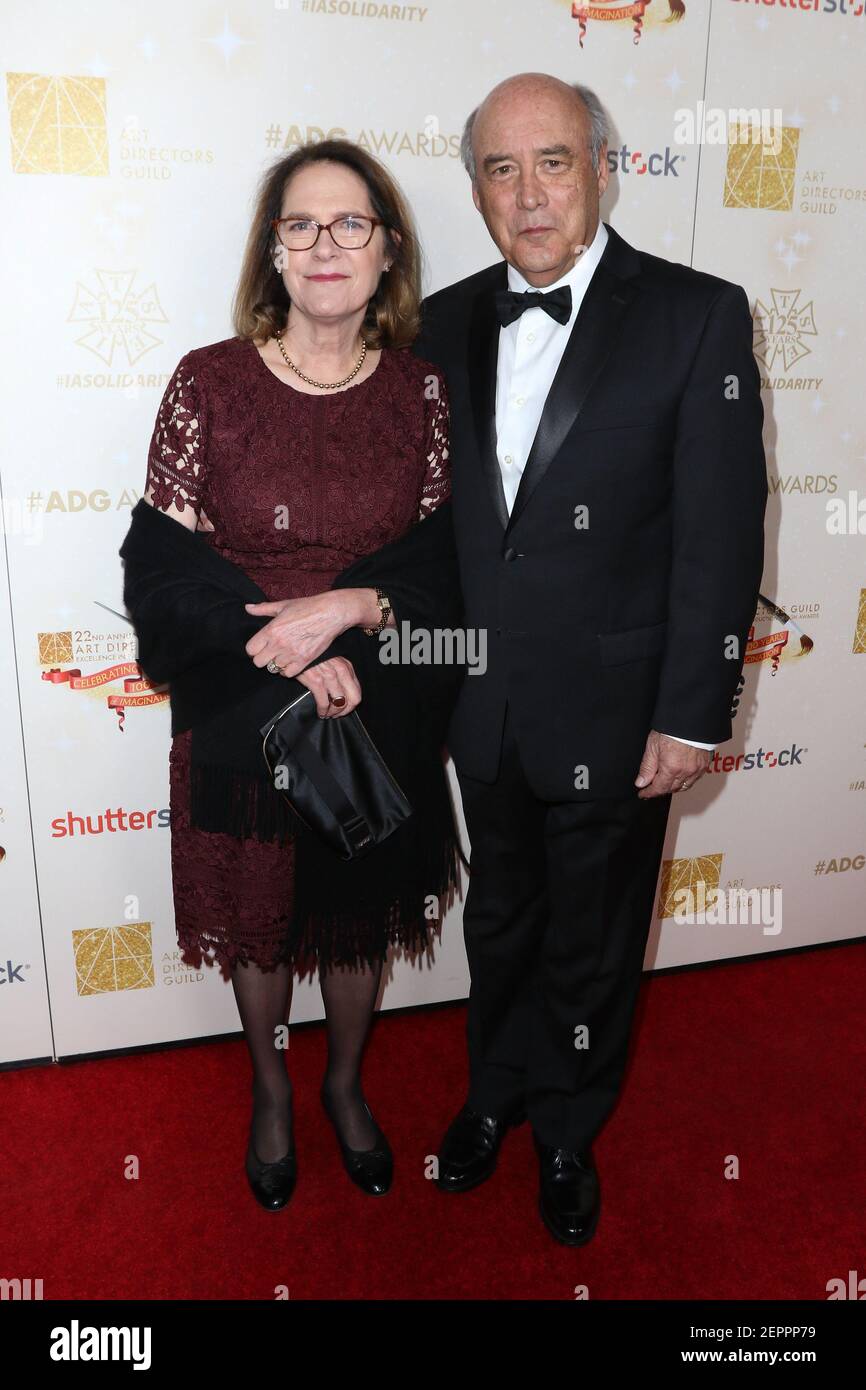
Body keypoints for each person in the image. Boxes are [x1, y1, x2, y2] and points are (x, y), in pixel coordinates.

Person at [412, 74, 768, 1245]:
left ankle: (566, 1128)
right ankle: (494, 1096)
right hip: (482, 708)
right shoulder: (441, 320)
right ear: (473, 188)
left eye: (551, 162)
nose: (527, 194)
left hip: (622, 714)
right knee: (500, 922)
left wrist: (691, 710)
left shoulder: (695, 315)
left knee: (595, 937)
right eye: (499, 170)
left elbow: (719, 532)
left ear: (605, 168)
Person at [140, 138, 454, 1209]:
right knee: (265, 921)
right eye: (300, 225)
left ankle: (346, 1085)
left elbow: (447, 573)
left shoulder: (421, 393)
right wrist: (280, 652)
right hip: (242, 707)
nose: (326, 245)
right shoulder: (207, 384)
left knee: (358, 917)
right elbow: (161, 573)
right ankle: (273, 1089)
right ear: (272, 253)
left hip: (377, 702)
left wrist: (355, 615)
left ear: (387, 251)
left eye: (350, 224)